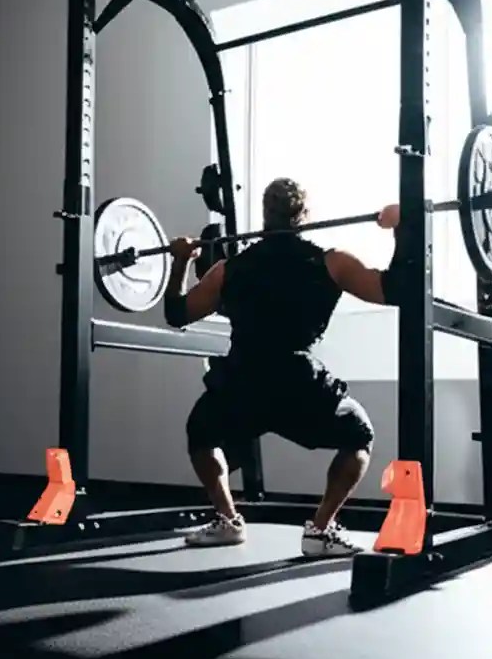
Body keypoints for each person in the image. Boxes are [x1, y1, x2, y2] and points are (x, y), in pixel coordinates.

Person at [161, 177, 405, 557]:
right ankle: (320, 530)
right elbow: (397, 288)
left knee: (201, 432)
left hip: (243, 381)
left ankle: (228, 520)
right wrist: (401, 231)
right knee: (358, 434)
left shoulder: (230, 269)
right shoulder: (332, 261)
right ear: (304, 216)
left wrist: (179, 263)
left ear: (264, 216)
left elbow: (176, 314)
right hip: (297, 383)